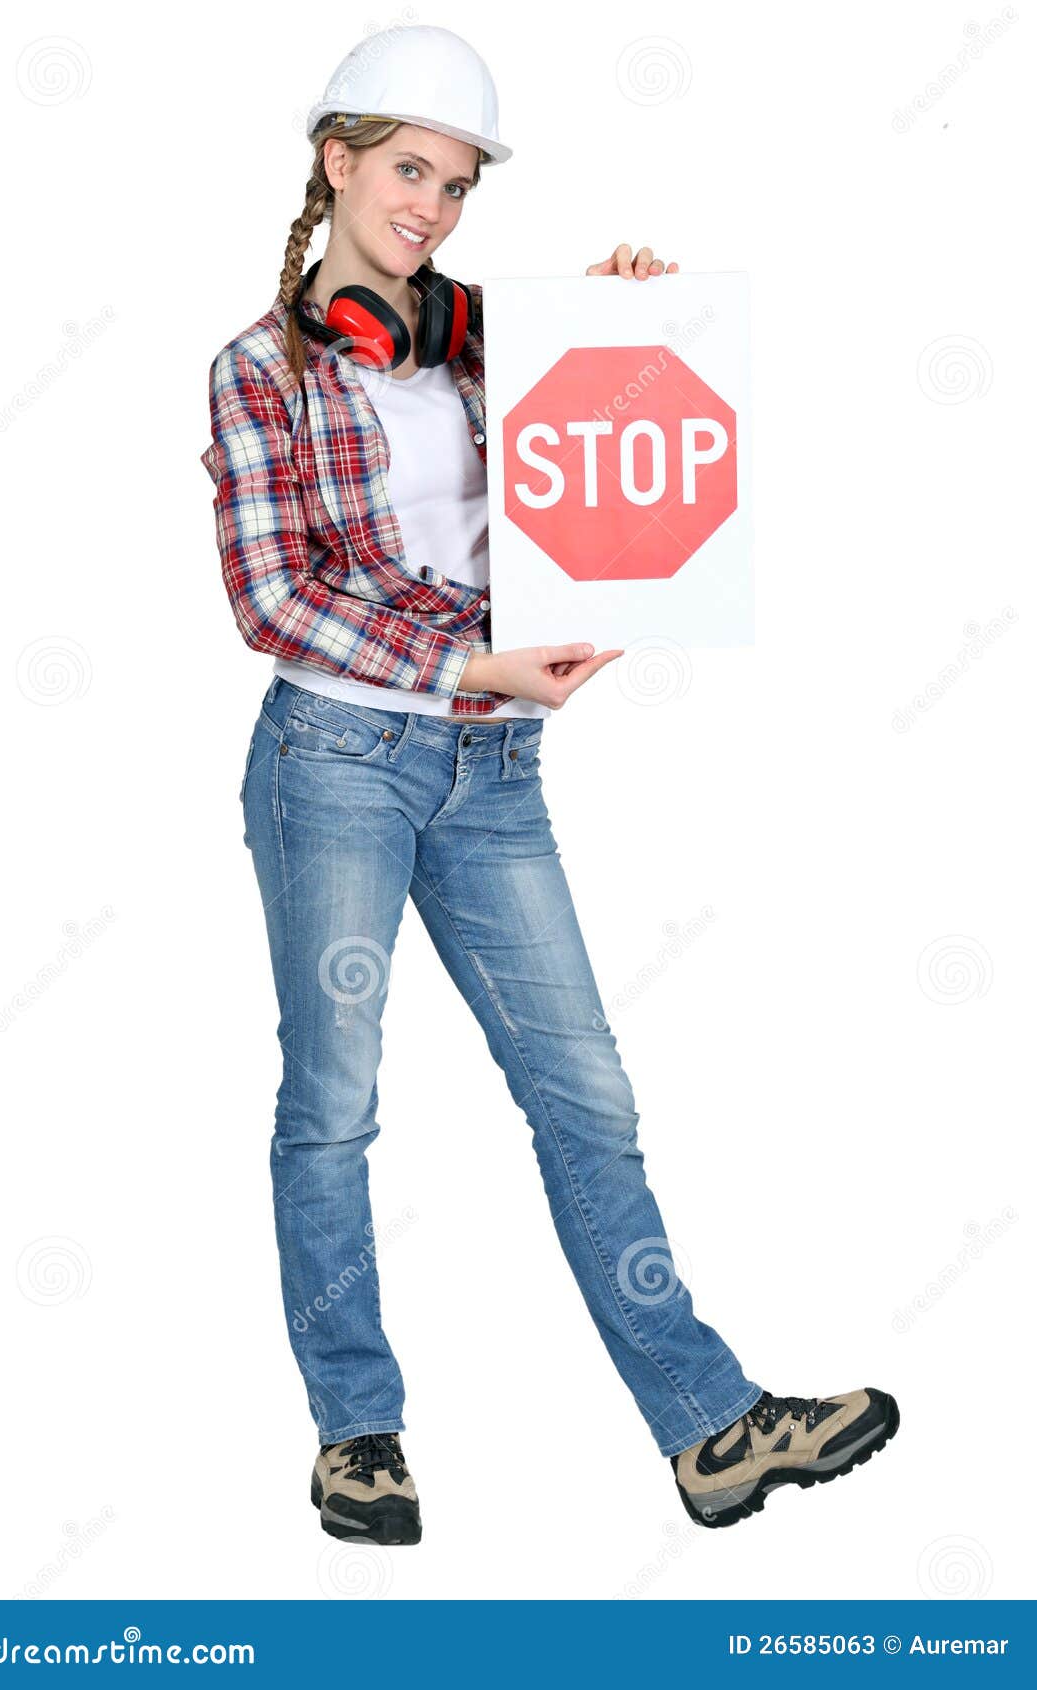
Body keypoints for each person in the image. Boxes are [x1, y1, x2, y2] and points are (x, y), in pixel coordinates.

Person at [200, 24, 899, 1545]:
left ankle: (712, 1426)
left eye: (454, 185)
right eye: (408, 173)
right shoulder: (259, 371)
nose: (433, 209)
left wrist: (637, 333)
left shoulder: (477, 340)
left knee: (586, 1093)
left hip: (494, 761)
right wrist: (467, 667)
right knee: (333, 1106)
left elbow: (601, 460)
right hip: (335, 761)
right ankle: (357, 1434)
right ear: (336, 163)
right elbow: (274, 600)